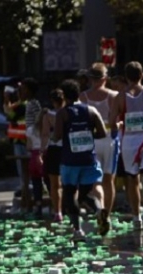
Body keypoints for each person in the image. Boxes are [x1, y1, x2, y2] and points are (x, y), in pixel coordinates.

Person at [52, 79, 107, 241]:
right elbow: (103, 133)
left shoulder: (63, 113)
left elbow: (57, 136)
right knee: (84, 195)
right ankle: (99, 211)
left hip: (70, 161)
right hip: (89, 160)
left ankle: (77, 231)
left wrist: (53, 137)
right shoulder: (91, 110)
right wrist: (89, 136)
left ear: (64, 95)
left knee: (70, 196)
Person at [110, 61, 143, 231]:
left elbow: (112, 121)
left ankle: (136, 216)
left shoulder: (119, 97)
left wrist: (118, 126)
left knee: (132, 180)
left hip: (129, 143)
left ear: (125, 77)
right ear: (142, 75)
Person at [81, 63, 118, 234]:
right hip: (109, 138)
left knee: (96, 180)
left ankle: (100, 208)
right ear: (105, 78)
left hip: (91, 141)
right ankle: (107, 215)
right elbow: (117, 119)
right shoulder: (113, 96)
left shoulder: (83, 97)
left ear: (90, 79)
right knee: (109, 179)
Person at [41, 88, 64, 223]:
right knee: (71, 182)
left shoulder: (48, 116)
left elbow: (44, 135)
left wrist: (42, 151)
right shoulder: (68, 113)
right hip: (67, 149)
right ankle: (72, 207)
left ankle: (58, 211)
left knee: (55, 184)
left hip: (53, 149)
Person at [3, 81, 29, 201]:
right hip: (20, 141)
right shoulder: (22, 104)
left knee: (24, 169)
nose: (18, 93)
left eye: (20, 90)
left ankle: (26, 188)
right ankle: (25, 187)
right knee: (23, 169)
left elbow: (10, 113)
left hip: (23, 141)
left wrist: (6, 98)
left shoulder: (23, 105)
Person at [22, 78, 43, 215]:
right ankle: (38, 203)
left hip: (36, 145)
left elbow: (39, 122)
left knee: (40, 176)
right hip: (32, 143)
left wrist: (33, 137)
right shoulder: (29, 103)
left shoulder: (34, 104)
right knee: (35, 177)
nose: (21, 91)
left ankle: (39, 203)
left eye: (23, 89)